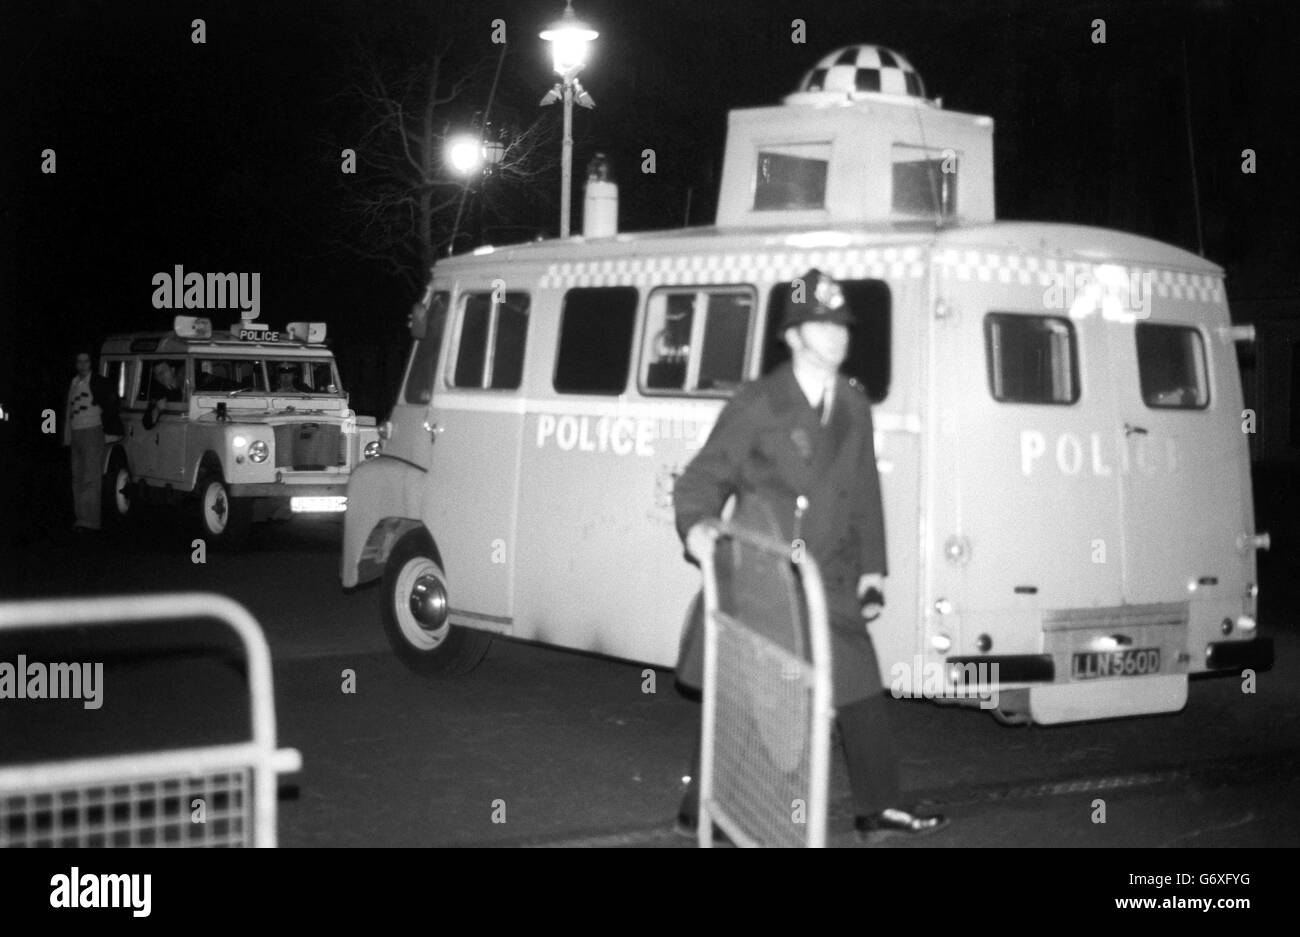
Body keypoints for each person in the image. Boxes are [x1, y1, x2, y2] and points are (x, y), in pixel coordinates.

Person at [672, 268, 947, 841]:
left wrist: (872, 568)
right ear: (793, 335)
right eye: (823, 324)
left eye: (842, 324)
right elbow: (702, 478)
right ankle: (704, 806)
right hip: (766, 576)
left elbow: (865, 488)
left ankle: (879, 807)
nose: (839, 335)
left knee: (861, 689)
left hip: (829, 575)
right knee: (747, 691)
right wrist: (698, 527)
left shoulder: (852, 402)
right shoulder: (758, 401)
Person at [63, 350, 123, 532]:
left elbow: (112, 405)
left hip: (92, 432)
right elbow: (69, 412)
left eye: (86, 361)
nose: (82, 365)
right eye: (79, 362)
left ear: (91, 363)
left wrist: (105, 429)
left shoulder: (98, 382)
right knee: (78, 478)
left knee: (91, 478)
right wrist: (67, 436)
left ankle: (90, 521)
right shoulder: (74, 383)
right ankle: (81, 518)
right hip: (76, 433)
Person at [142, 360, 183, 430]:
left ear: (172, 370)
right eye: (157, 375)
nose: (160, 377)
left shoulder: (184, 385)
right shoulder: (158, 392)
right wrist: (157, 409)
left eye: (162, 372)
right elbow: (147, 423)